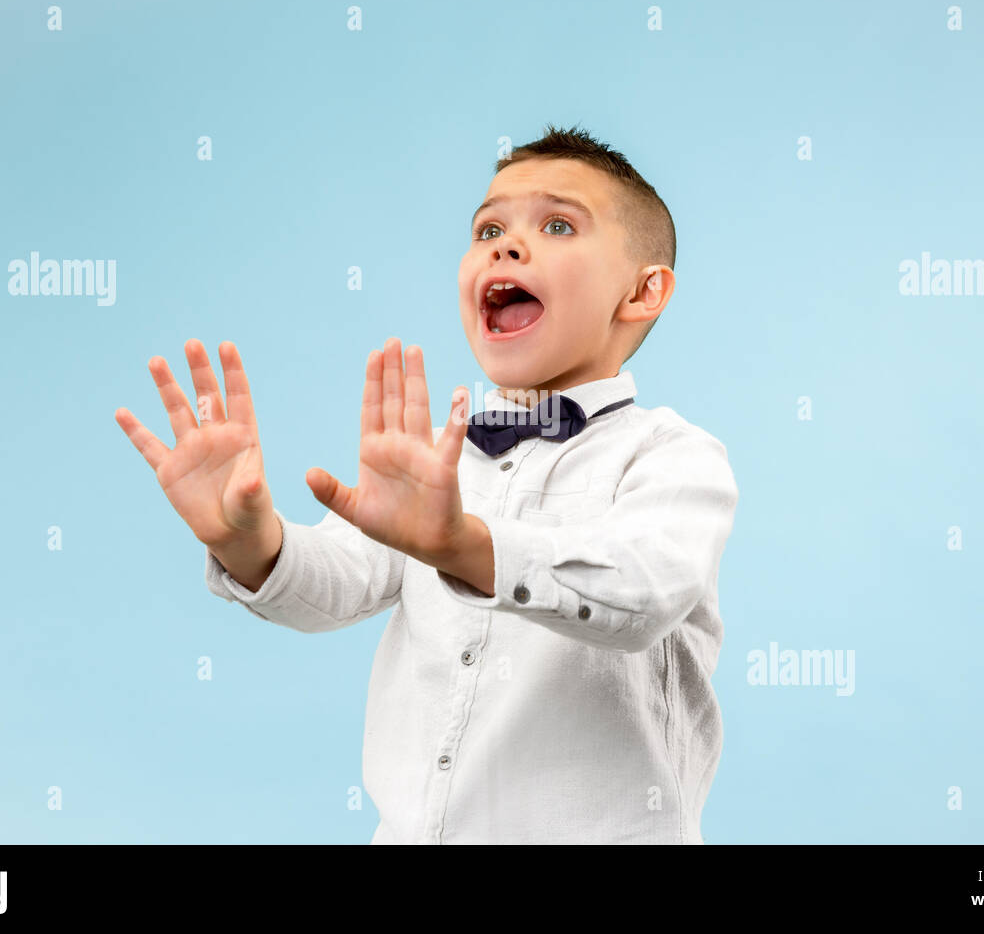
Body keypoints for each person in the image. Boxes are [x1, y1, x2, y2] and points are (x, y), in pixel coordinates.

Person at [115, 124, 740, 844]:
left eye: (559, 224)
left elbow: (643, 595)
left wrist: (465, 545)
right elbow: (337, 583)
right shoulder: (440, 468)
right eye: (488, 228)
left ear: (643, 290)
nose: (505, 245)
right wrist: (249, 539)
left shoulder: (674, 456)